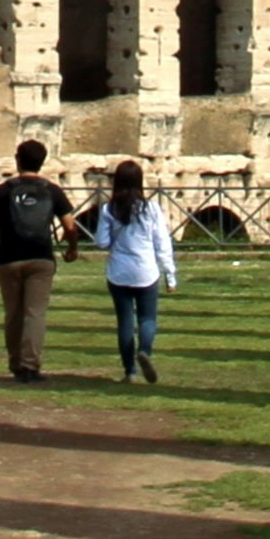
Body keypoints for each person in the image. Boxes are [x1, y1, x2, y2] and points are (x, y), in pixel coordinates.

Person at [0, 137, 73, 382]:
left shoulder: (5, 190)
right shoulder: (52, 190)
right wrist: (73, 248)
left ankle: (16, 363)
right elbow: (70, 226)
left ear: (18, 160)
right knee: (35, 313)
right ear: (42, 162)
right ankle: (30, 365)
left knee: (13, 314)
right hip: (40, 256)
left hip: (9, 256)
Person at [97, 158, 180, 384]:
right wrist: (170, 275)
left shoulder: (109, 209)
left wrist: (117, 237)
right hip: (146, 271)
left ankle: (130, 371)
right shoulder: (151, 209)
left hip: (119, 272)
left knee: (125, 321)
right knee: (147, 318)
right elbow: (161, 243)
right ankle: (145, 351)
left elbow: (102, 242)